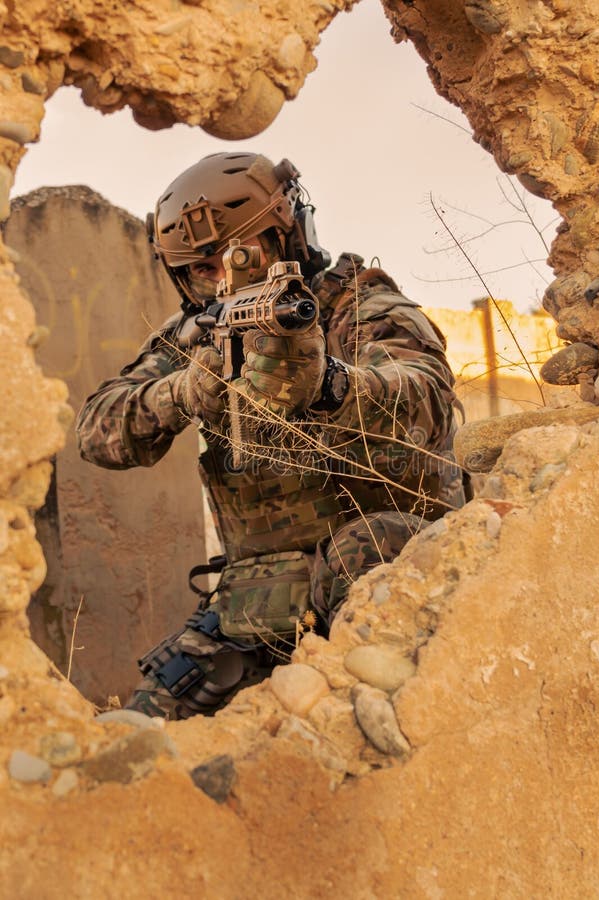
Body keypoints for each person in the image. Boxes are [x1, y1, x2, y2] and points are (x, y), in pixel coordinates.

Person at [76, 152, 466, 720]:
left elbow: (426, 395)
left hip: (377, 567)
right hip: (260, 598)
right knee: (140, 730)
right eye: (200, 269)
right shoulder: (194, 332)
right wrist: (181, 392)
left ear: (288, 238)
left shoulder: (357, 305)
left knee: (372, 555)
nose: (222, 280)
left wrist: (331, 386)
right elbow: (97, 430)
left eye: (239, 256)